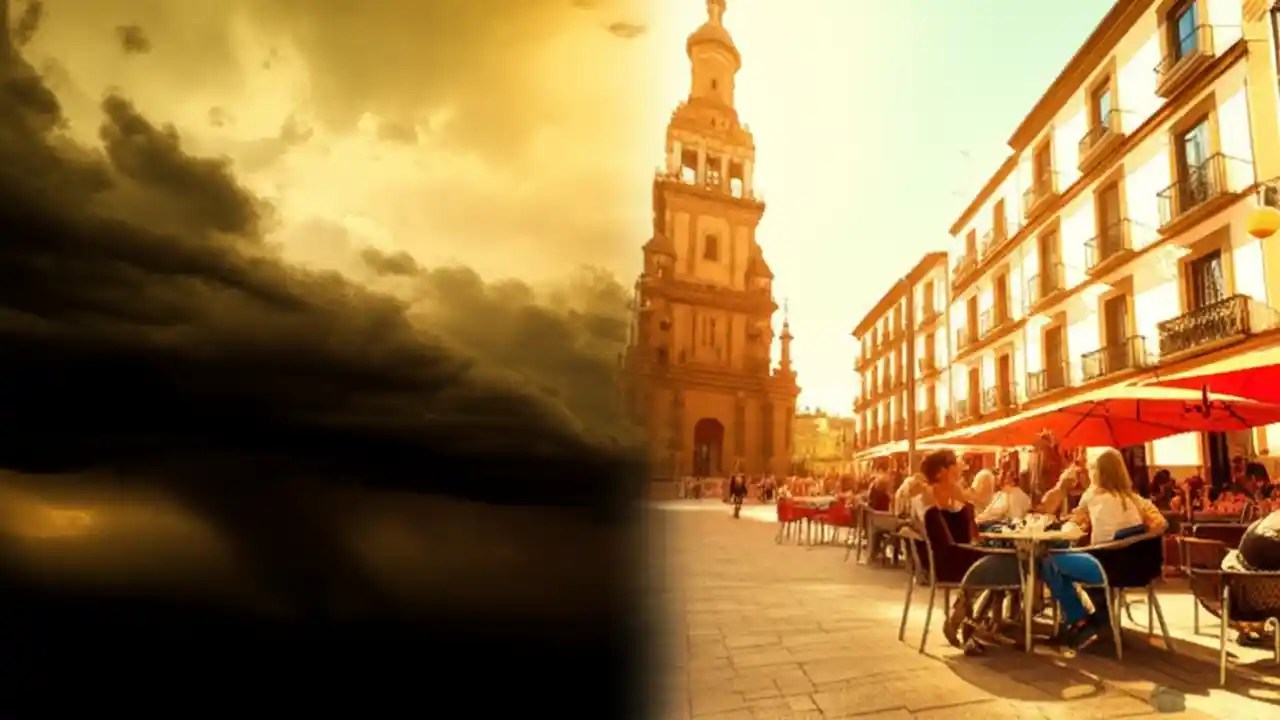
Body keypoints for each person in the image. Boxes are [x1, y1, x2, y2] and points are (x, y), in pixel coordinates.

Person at [1044, 448, 1168, 654]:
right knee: (1080, 562)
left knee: (1048, 561)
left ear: (1097, 472)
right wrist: (1134, 535)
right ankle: (1100, 622)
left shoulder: (1091, 495)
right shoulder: (1136, 500)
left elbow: (1073, 526)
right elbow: (1161, 525)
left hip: (1104, 567)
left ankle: (1082, 620)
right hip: (1139, 569)